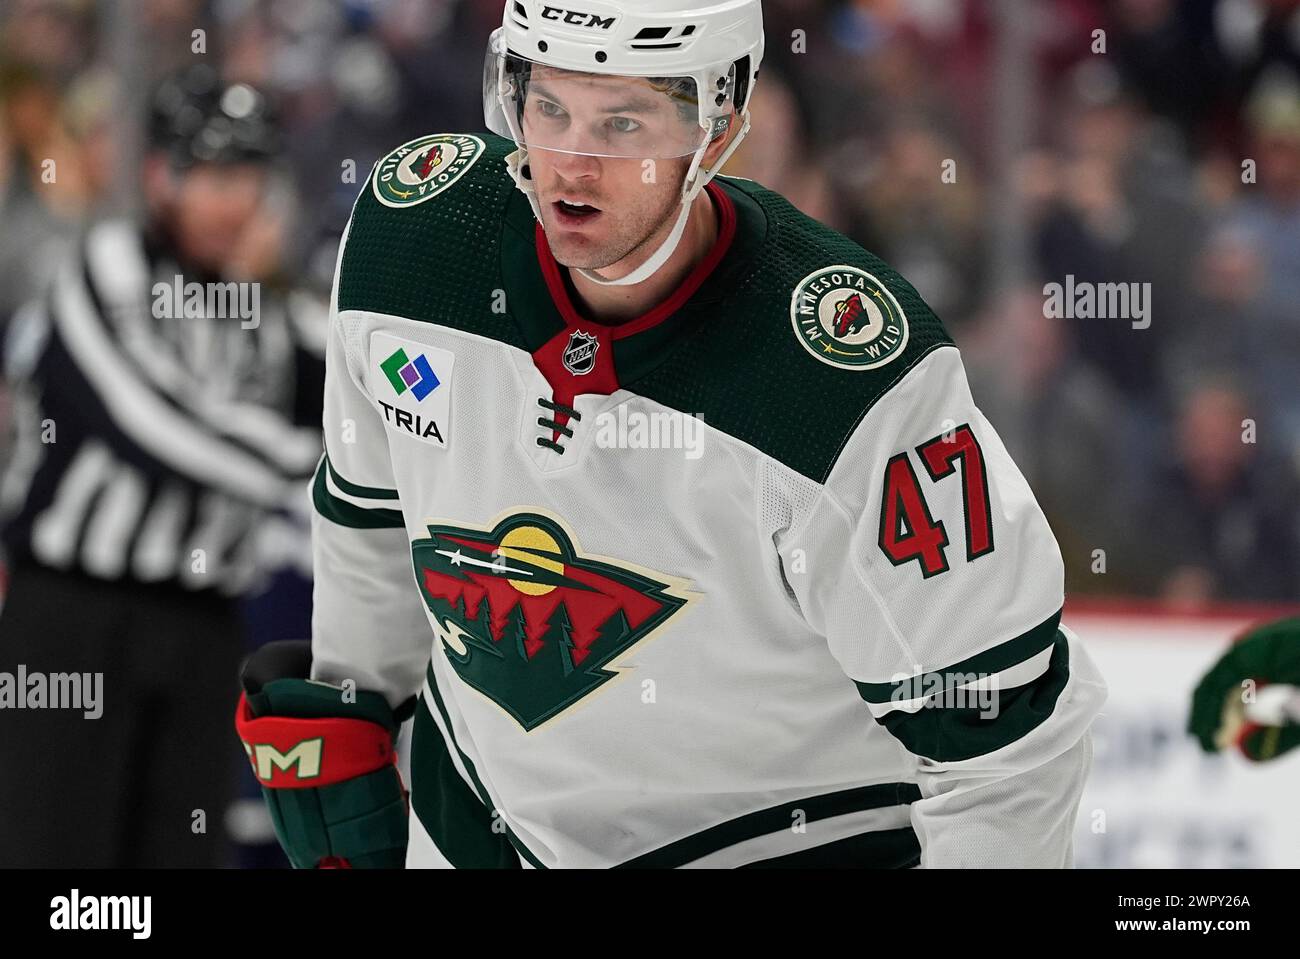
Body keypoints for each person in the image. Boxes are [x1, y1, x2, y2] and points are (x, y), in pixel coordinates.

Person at [237, 0, 1106, 869]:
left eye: (623, 121)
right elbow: (370, 514)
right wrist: (358, 697)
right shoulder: (413, 245)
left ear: (718, 125)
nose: (570, 164)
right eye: (549, 108)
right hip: (473, 824)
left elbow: (1007, 746)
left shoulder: (848, 385)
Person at [0, 64, 324, 867]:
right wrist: (304, 468)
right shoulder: (106, 268)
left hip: (206, 625)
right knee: (58, 851)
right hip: (77, 618)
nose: (230, 200)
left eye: (248, 176)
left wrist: (273, 291)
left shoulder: (271, 313)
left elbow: (347, 400)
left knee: (174, 853)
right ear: (159, 175)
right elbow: (151, 420)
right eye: (210, 175)